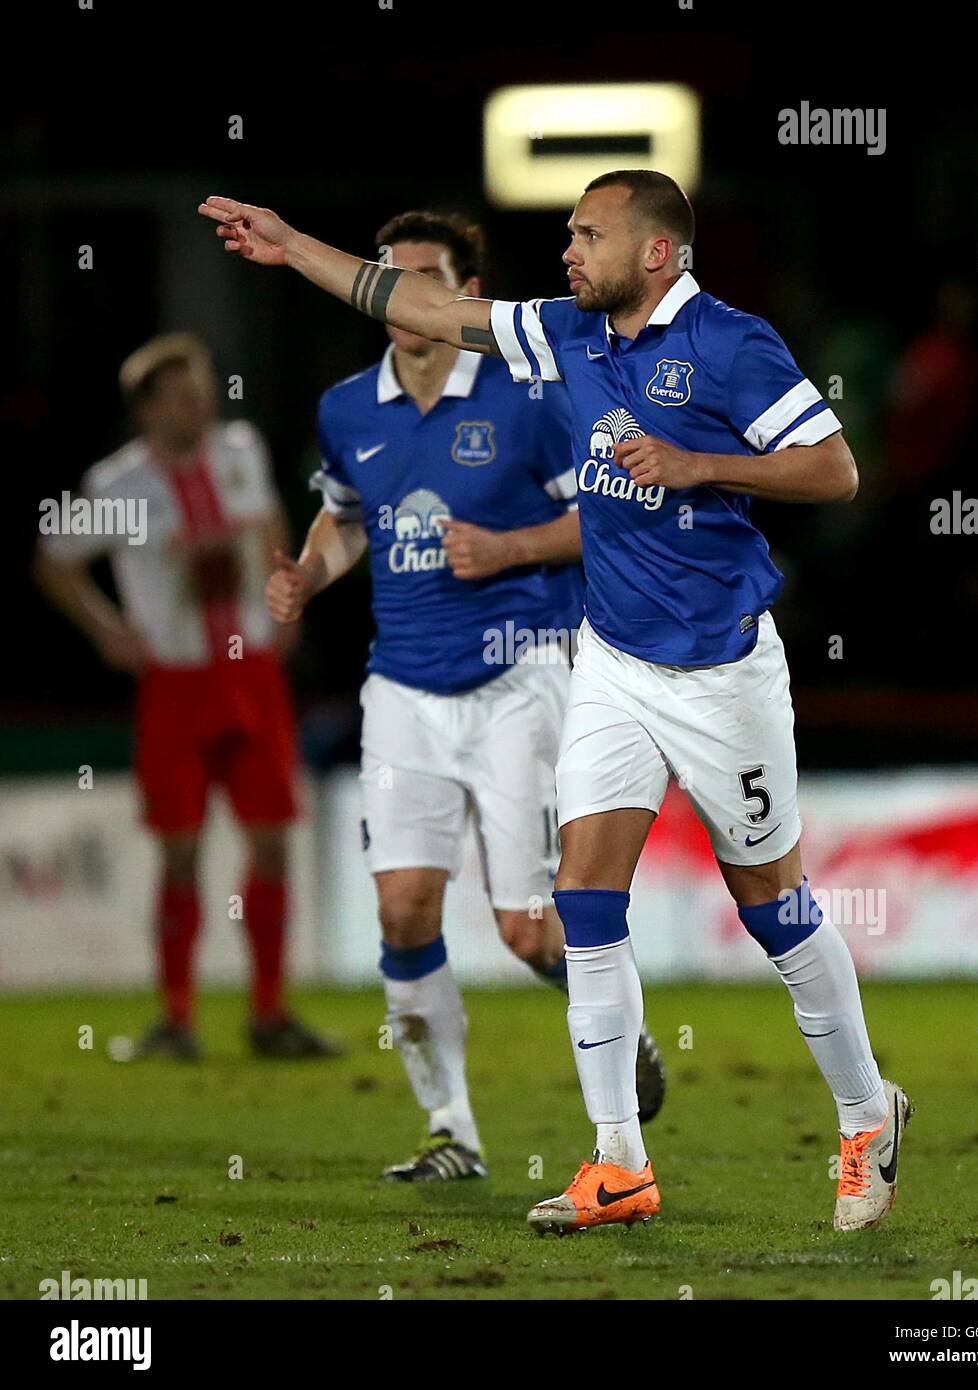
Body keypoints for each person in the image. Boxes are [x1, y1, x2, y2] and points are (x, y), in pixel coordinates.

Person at [198, 171, 911, 1233]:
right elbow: (427, 306)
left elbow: (837, 468)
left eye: (589, 235)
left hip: (721, 671)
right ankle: (618, 1160)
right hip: (612, 664)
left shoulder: (730, 343)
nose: (568, 251)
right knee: (581, 899)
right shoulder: (564, 335)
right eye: (570, 233)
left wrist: (694, 462)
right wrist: (295, 243)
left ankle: (866, 1112)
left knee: (773, 906)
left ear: (658, 253)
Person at [265, 211, 666, 1181]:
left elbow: (613, 509)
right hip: (402, 683)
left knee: (528, 928)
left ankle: (625, 1031)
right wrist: (308, 576)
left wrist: (511, 548)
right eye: (390, 279)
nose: (406, 299)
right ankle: (453, 1130)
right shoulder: (348, 408)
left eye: (425, 279)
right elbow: (346, 516)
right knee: (403, 912)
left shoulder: (531, 397)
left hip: (521, 674)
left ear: (465, 293)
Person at [35, 333, 338, 1060]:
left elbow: (268, 523)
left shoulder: (239, 452)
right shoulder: (119, 485)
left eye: (202, 389)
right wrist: (109, 630)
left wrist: (285, 590)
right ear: (145, 409)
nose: (198, 403)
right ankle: (177, 1018)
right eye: (180, 394)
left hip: (253, 671)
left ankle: (269, 1012)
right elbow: (54, 561)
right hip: (175, 680)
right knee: (180, 850)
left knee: (271, 840)